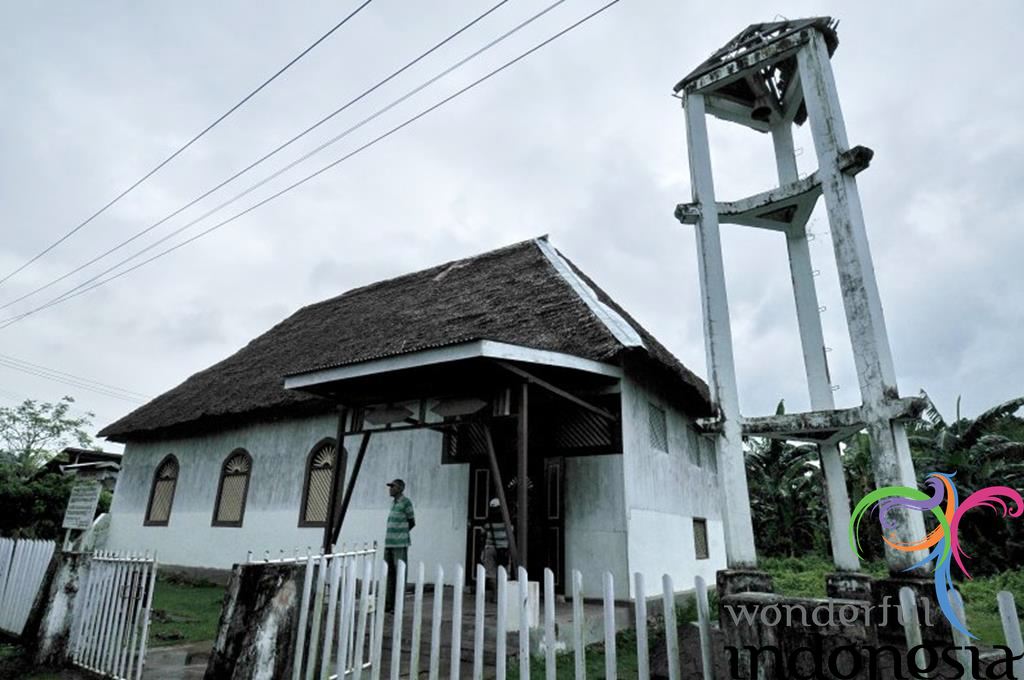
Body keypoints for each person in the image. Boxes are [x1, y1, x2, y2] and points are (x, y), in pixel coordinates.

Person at [384, 478, 414, 612]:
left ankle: (398, 606)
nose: (390, 489)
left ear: (400, 489)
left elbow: (412, 521)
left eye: (393, 486)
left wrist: (401, 533)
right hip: (389, 542)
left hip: (400, 543)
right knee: (389, 574)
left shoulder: (406, 502)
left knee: (400, 574)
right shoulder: (393, 503)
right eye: (390, 486)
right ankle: (389, 604)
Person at [481, 498, 510, 601]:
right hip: (504, 549)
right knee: (504, 573)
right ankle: (504, 595)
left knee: (491, 573)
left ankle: (496, 596)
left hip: (490, 548)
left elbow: (482, 534)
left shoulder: (487, 522)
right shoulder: (507, 522)